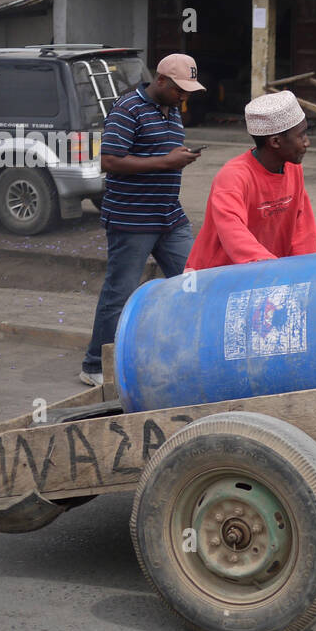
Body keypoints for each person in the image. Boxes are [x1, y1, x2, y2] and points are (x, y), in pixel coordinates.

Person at [79, 54, 204, 387]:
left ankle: (184, 351)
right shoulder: (127, 109)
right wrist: (166, 161)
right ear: (161, 81)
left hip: (169, 214)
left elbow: (160, 153)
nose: (184, 97)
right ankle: (94, 365)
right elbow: (108, 160)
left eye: (188, 91)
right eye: (180, 90)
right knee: (119, 293)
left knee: (194, 282)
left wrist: (178, 158)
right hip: (132, 218)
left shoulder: (173, 109)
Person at [186, 91, 316, 270]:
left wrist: (309, 269)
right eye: (301, 136)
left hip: (264, 273)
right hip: (218, 277)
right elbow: (233, 232)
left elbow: (303, 228)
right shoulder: (233, 178)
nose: (307, 142)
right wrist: (270, 267)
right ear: (275, 141)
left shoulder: (294, 169)